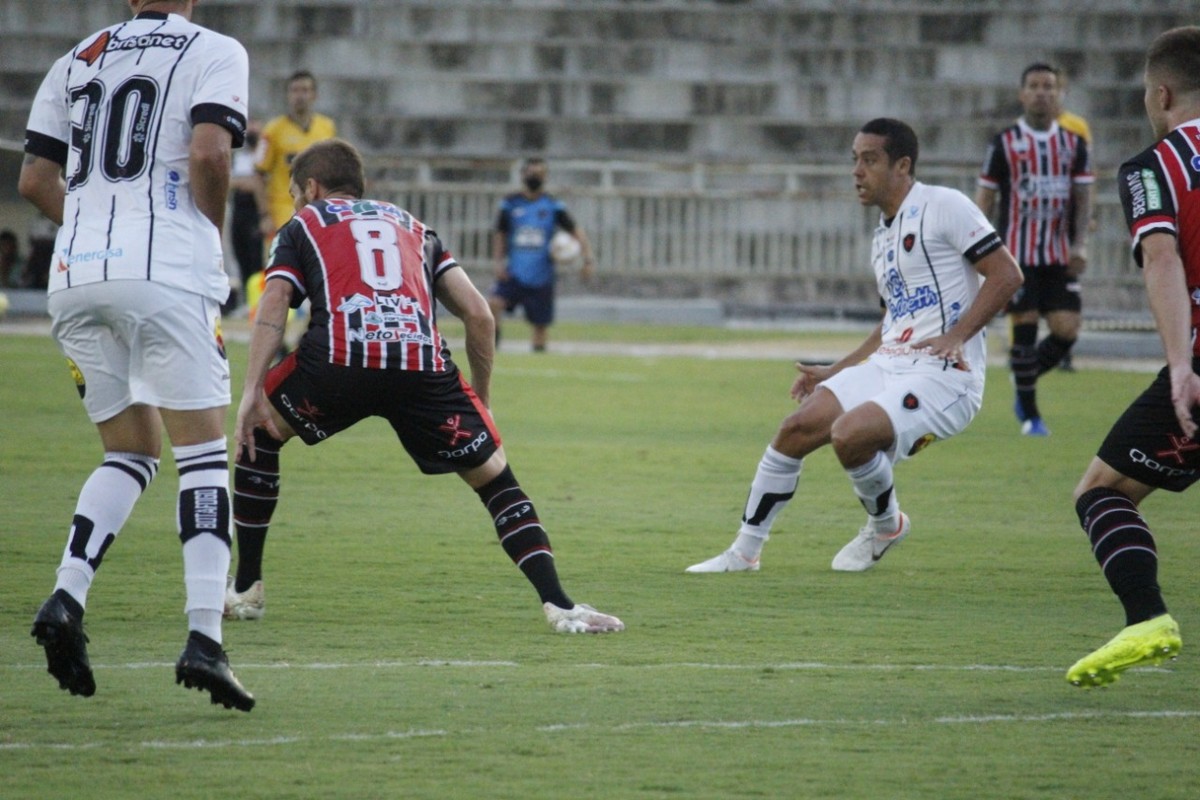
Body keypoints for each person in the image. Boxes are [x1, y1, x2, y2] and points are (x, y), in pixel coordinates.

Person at [225, 138, 624, 635]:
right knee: (496, 481)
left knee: (258, 434)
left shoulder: (304, 221)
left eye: (298, 193)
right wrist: (481, 401)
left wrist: (251, 392)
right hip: (421, 366)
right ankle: (560, 604)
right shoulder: (414, 226)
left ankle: (246, 589)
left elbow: (276, 299)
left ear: (312, 187)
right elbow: (478, 314)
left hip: (339, 360)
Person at [19, 0, 255, 711]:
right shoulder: (215, 48)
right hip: (165, 270)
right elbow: (212, 152)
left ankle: (67, 595)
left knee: (129, 452)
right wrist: (208, 235)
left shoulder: (75, 57)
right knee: (204, 457)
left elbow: (34, 180)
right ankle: (205, 638)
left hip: (76, 275)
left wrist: (93, 226)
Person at [686, 118, 1023, 574]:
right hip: (891, 362)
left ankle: (886, 525)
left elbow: (1007, 275)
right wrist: (838, 368)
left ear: (902, 165)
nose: (857, 171)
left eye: (870, 160)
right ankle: (744, 553)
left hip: (946, 376)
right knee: (796, 429)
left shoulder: (945, 205)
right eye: (854, 160)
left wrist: (956, 335)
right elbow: (892, 320)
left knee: (849, 434)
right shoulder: (882, 238)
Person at [1065, 26, 1200, 688]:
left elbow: (1162, 255)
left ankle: (1147, 617)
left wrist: (1181, 365)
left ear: (1161, 92)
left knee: (1104, 490)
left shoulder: (1155, 167)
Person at [976, 62, 1094, 436]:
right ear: (1022, 94)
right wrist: (981, 250)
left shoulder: (1074, 144)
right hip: (1017, 257)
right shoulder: (1004, 143)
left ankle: (1021, 378)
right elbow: (985, 199)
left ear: (1059, 94)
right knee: (1024, 329)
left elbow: (1084, 195)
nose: (1042, 92)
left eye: (1049, 86)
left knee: (1066, 330)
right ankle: (1031, 416)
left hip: (1058, 255)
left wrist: (1080, 244)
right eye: (1034, 86)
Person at [490, 157, 594, 352]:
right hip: (515, 271)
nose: (534, 177)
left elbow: (576, 231)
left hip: (542, 275)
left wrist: (587, 258)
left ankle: (538, 353)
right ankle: (492, 348)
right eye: (531, 173)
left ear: (545, 177)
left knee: (540, 327)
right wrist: (498, 263)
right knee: (494, 303)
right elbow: (500, 234)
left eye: (539, 174)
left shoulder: (553, 206)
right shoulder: (510, 204)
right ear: (523, 175)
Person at [228, 119, 264, 312]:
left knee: (255, 255)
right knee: (239, 251)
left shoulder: (262, 155)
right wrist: (245, 183)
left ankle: (257, 301)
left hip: (256, 211)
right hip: (239, 209)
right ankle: (244, 300)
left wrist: (248, 183)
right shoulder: (239, 156)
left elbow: (259, 182)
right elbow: (231, 181)